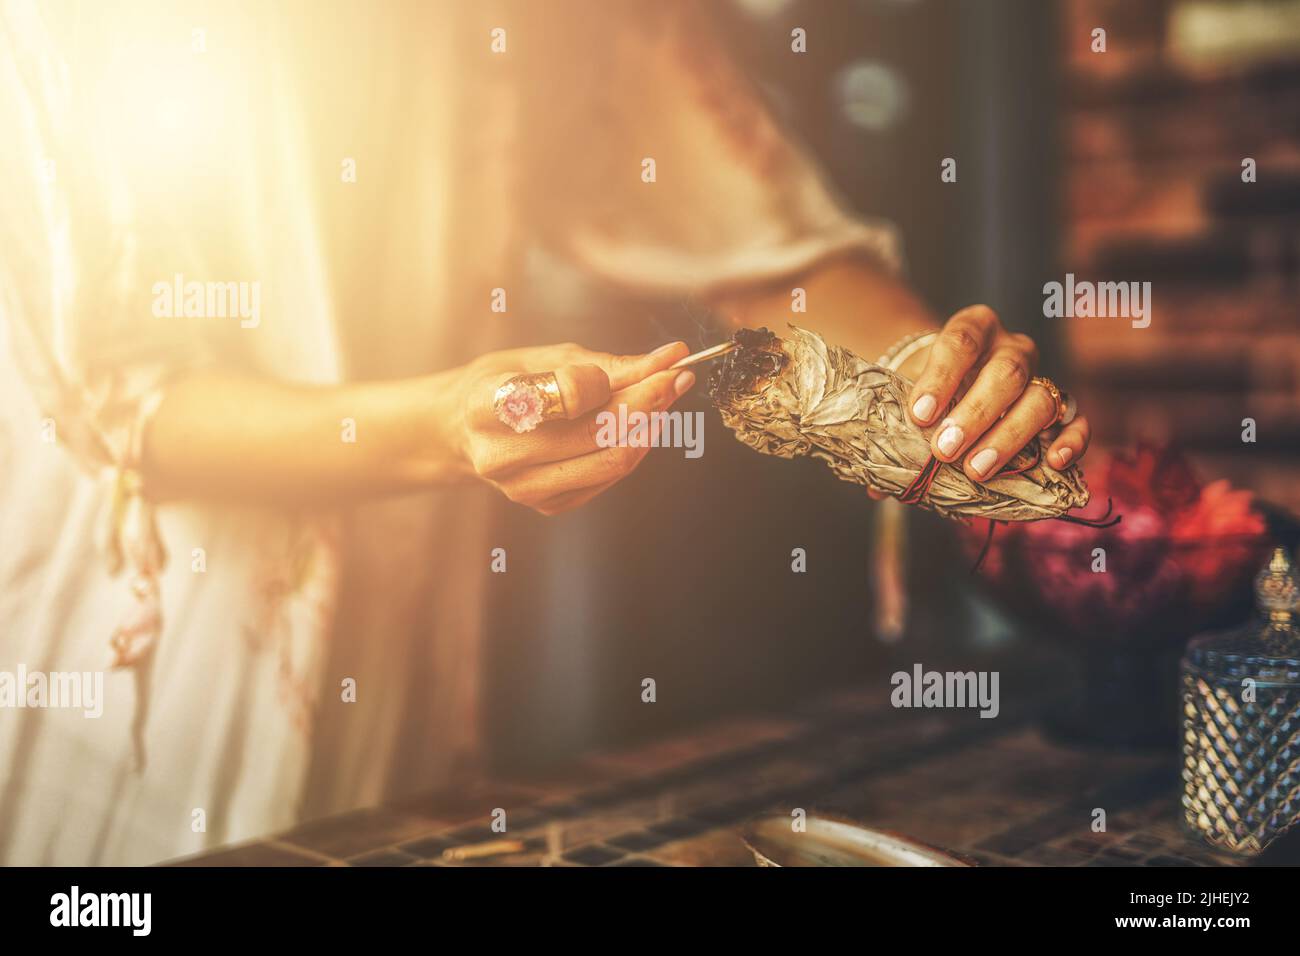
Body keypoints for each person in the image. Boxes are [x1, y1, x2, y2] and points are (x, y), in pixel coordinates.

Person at [0, 0, 1088, 864]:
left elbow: (777, 248)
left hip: (403, 659)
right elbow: (124, 402)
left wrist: (924, 372)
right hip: (136, 660)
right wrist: (437, 423)